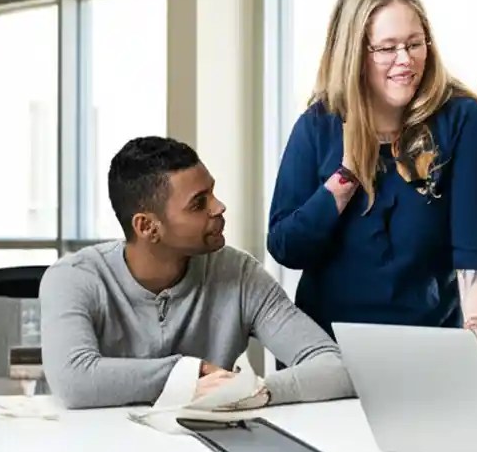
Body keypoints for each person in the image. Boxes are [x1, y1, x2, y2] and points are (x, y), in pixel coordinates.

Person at [267, 0, 477, 365]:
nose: (405, 61)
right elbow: (286, 247)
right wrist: (345, 178)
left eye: (414, 44)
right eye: (387, 48)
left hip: (423, 350)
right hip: (326, 354)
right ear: (354, 53)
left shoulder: (460, 119)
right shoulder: (318, 125)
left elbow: (474, 255)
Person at [40, 136, 354, 410]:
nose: (219, 207)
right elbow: (73, 380)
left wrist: (256, 391)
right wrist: (188, 375)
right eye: (198, 203)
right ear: (147, 226)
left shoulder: (239, 274)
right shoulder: (73, 278)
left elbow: (334, 366)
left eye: (212, 193)